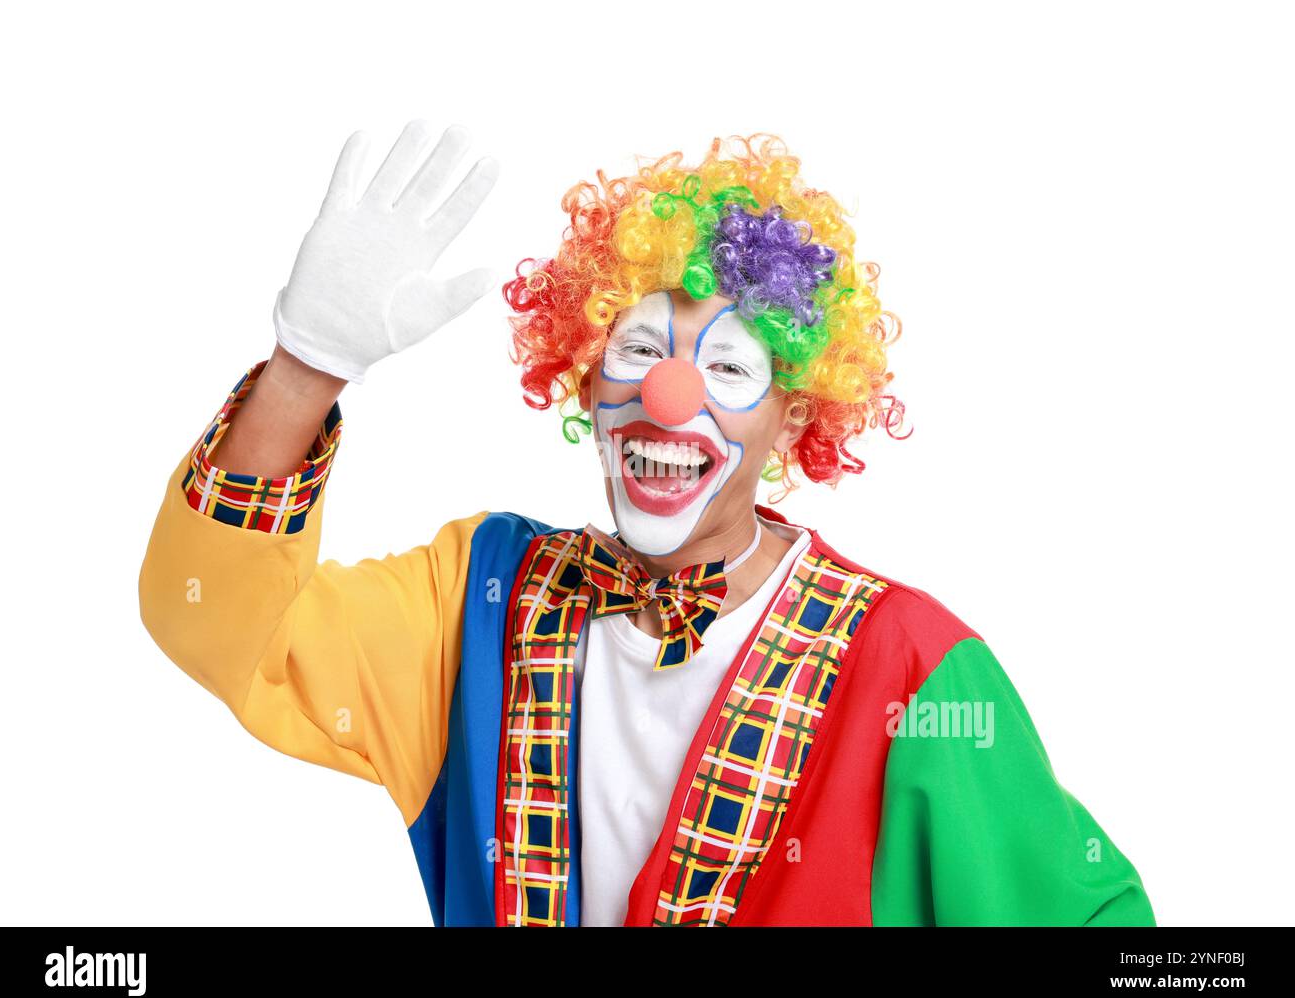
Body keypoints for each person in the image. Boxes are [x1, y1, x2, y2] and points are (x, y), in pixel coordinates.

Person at [138, 119, 1155, 927]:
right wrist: (307, 365)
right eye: (637, 351)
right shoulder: (475, 601)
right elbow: (220, 625)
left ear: (793, 414)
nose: (671, 395)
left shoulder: (911, 663)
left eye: (726, 369)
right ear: (583, 372)